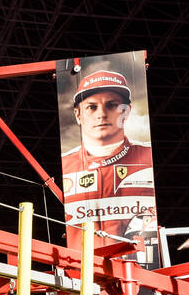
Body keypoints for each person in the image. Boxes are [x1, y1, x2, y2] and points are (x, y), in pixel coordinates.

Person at [61, 69, 156, 257]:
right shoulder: (67, 164)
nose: (101, 114)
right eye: (91, 107)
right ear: (77, 114)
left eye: (111, 105)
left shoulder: (147, 156)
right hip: (85, 277)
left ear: (126, 111)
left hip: (139, 274)